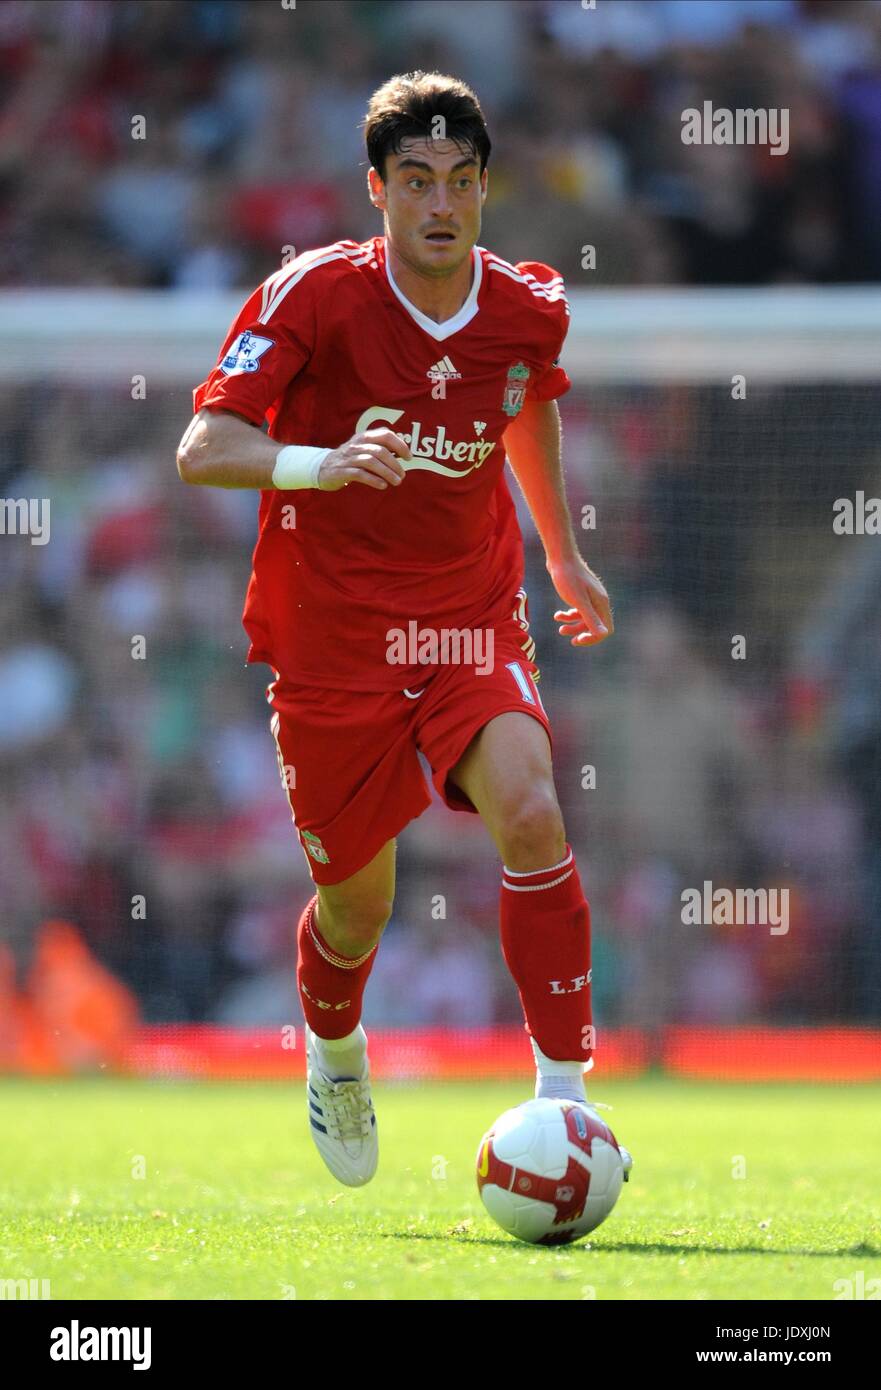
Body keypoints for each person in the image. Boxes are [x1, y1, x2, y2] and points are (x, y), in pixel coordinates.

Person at [177, 71, 631, 1189]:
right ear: (375, 190)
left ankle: (563, 1107)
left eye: (463, 182)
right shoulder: (311, 297)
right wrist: (318, 464)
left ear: (484, 190)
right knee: (356, 903)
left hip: (469, 622)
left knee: (529, 808)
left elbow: (523, 395)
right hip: (332, 645)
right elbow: (203, 447)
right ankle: (335, 1052)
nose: (441, 203)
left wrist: (561, 552)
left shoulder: (522, 308)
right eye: (417, 181)